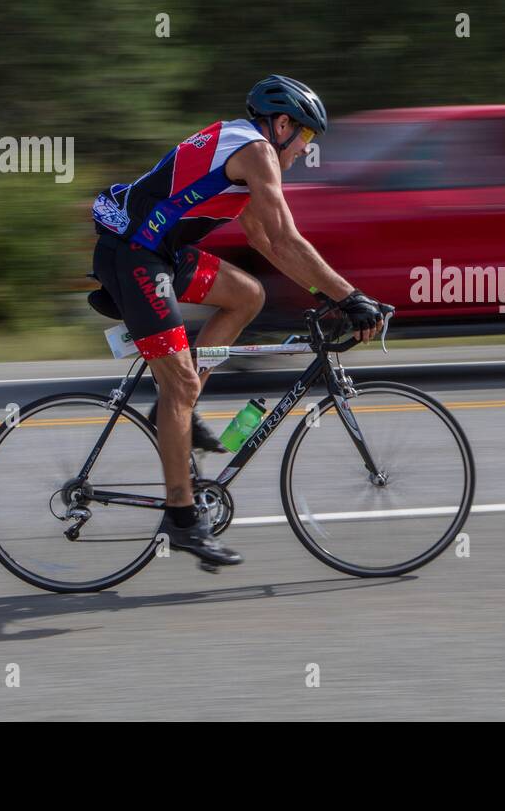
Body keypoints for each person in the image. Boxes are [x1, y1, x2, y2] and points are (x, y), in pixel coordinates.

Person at [90, 75, 385, 568]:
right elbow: (288, 239)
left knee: (247, 295)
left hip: (163, 252)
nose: (304, 151)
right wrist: (350, 296)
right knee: (180, 384)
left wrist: (329, 294)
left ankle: (175, 408)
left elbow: (267, 243)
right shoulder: (257, 152)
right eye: (306, 139)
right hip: (135, 256)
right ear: (282, 125)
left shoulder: (243, 151)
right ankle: (181, 520)